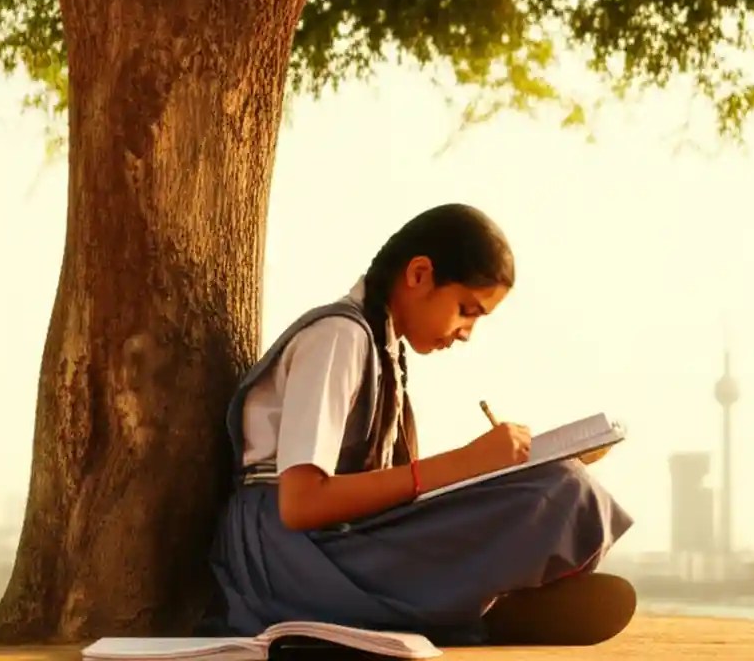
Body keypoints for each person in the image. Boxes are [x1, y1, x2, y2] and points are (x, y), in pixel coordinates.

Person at [208, 203, 635, 646]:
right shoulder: (338, 337)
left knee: (554, 480)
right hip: (287, 556)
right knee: (561, 486)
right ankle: (475, 612)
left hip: (337, 538)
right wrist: (467, 461)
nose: (467, 331)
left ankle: (466, 607)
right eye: (466, 309)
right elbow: (299, 504)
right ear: (418, 274)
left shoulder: (384, 348)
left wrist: (498, 470)